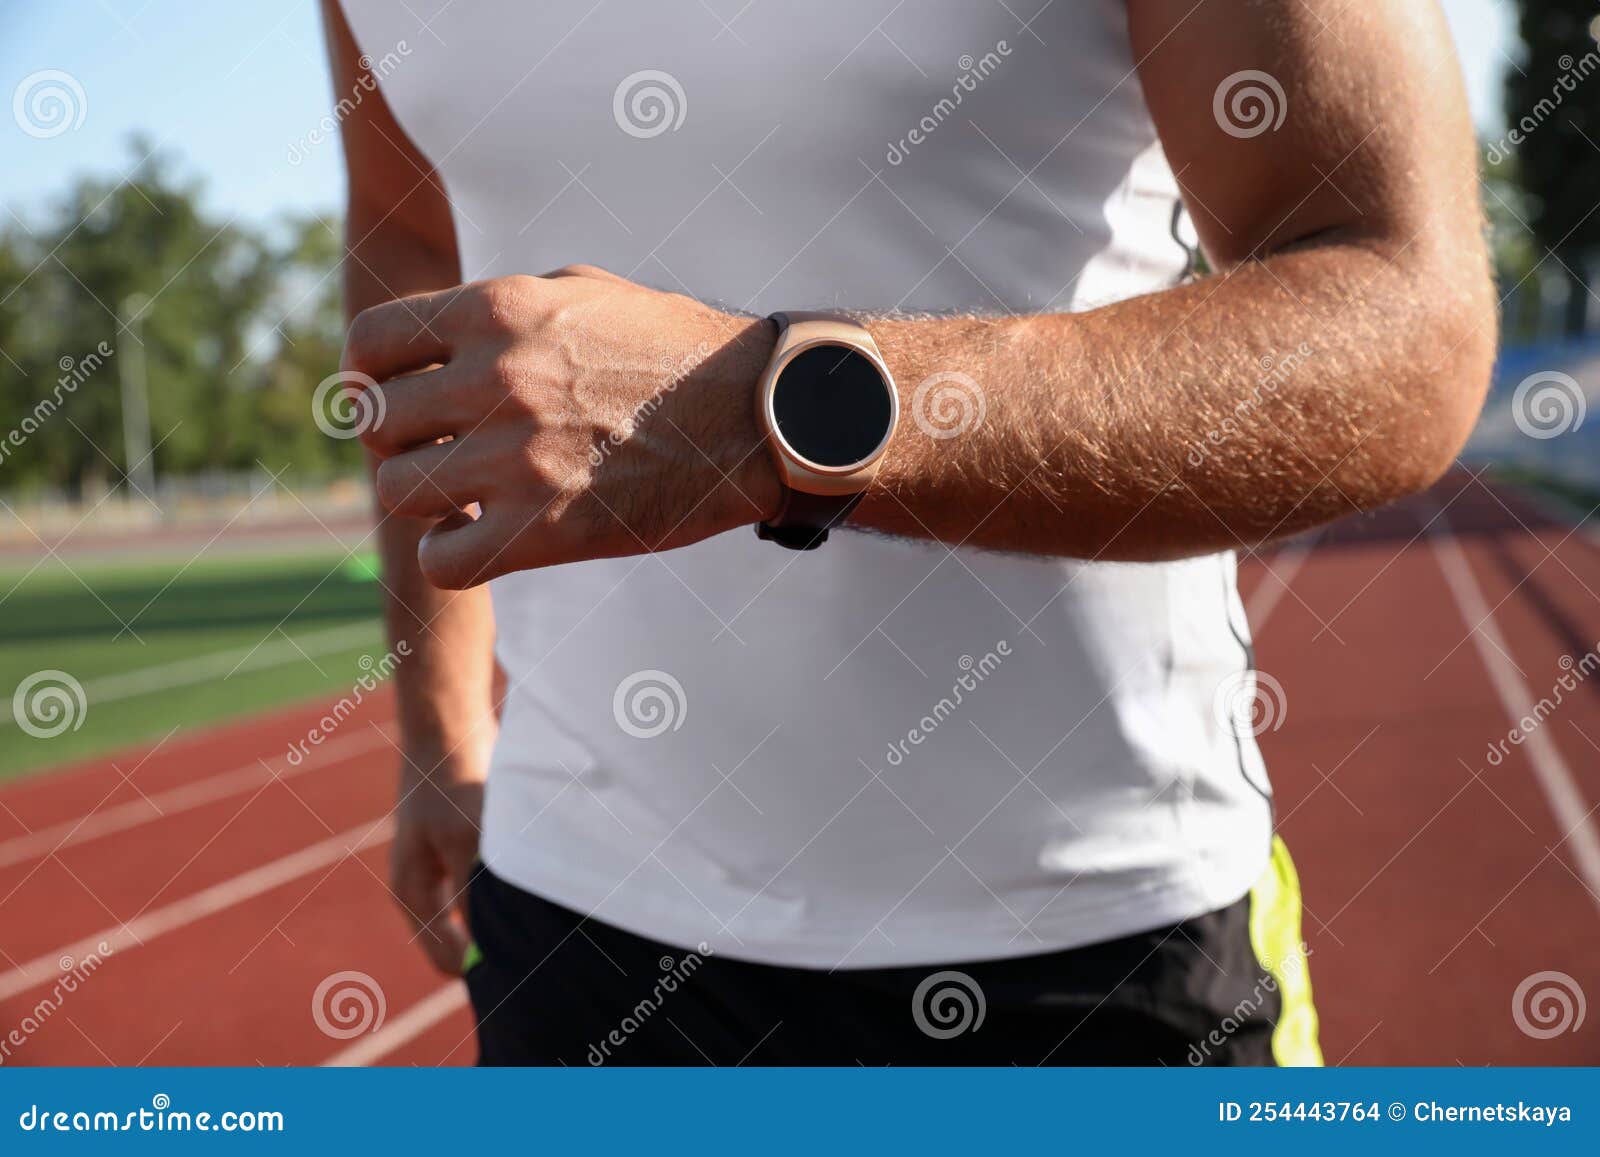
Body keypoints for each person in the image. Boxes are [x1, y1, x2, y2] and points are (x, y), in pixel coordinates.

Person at [322, 0, 1494, 1065]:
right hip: (575, 922)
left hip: (1089, 939)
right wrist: (438, 718)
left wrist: (760, 409)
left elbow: (1406, 319)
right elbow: (408, 236)